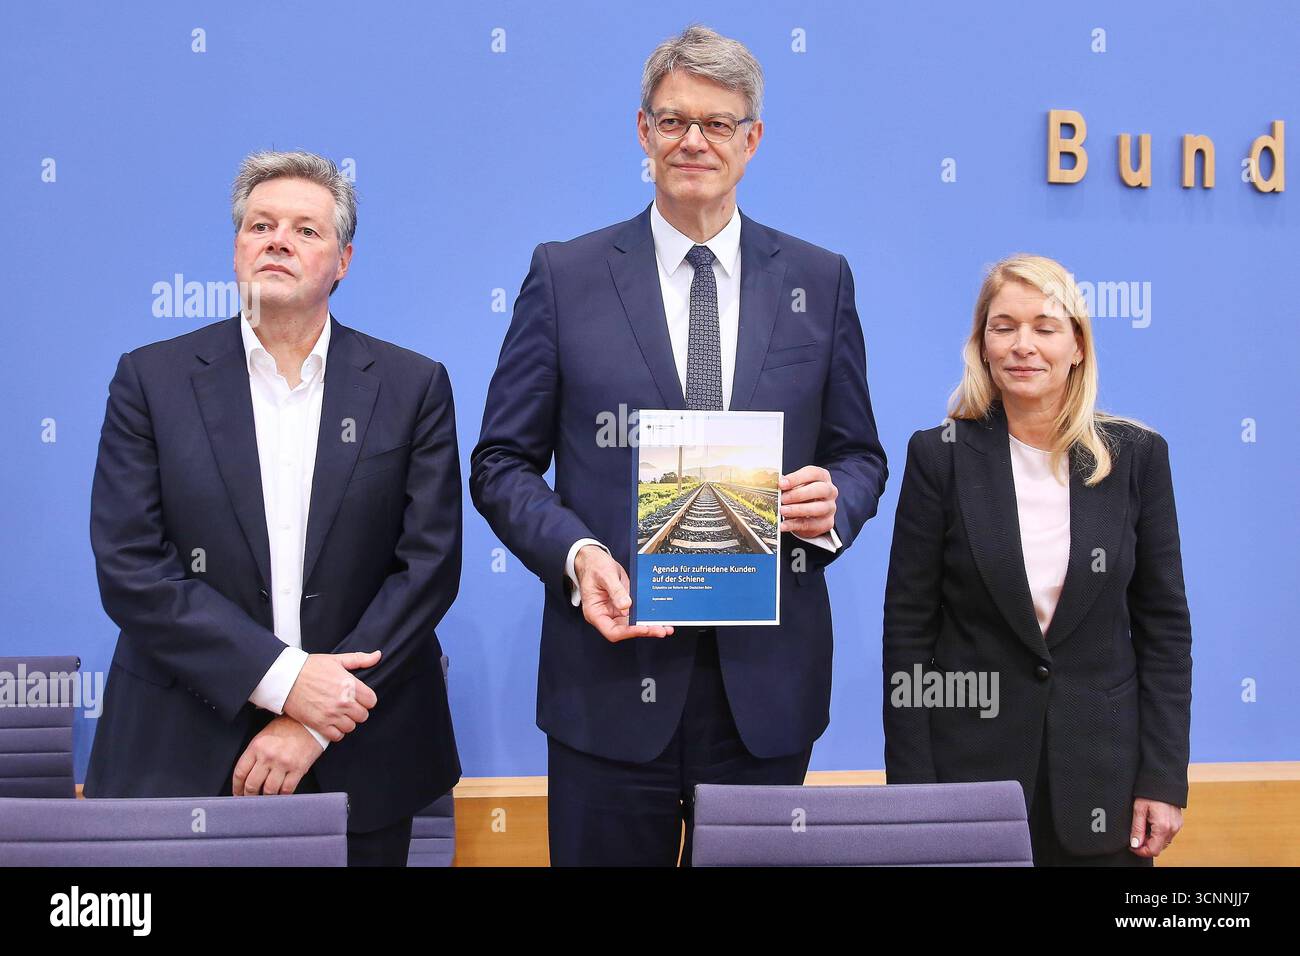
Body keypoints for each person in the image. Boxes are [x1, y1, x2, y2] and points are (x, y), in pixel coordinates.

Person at [471, 26, 887, 866]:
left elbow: (860, 454)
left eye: (718, 123)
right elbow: (501, 463)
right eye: (673, 121)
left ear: (752, 140)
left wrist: (835, 500)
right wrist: (576, 552)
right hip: (609, 682)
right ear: (642, 132)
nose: (693, 140)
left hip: (766, 691)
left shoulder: (820, 279)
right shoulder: (565, 275)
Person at [85, 150, 462, 866]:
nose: (278, 240)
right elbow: (131, 566)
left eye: (304, 230)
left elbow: (428, 568)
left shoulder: (413, 386)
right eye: (260, 225)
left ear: (343, 259)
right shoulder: (151, 381)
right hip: (183, 746)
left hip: (360, 748)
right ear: (236, 249)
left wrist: (318, 721)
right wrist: (285, 680)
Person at [882, 253, 1192, 865]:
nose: (1023, 345)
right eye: (1004, 327)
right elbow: (908, 636)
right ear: (983, 344)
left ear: (1077, 344)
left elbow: (1165, 631)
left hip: (1106, 787)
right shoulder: (938, 457)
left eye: (1045, 327)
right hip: (969, 784)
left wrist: (1162, 778)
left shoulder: (1136, 457)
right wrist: (913, 789)